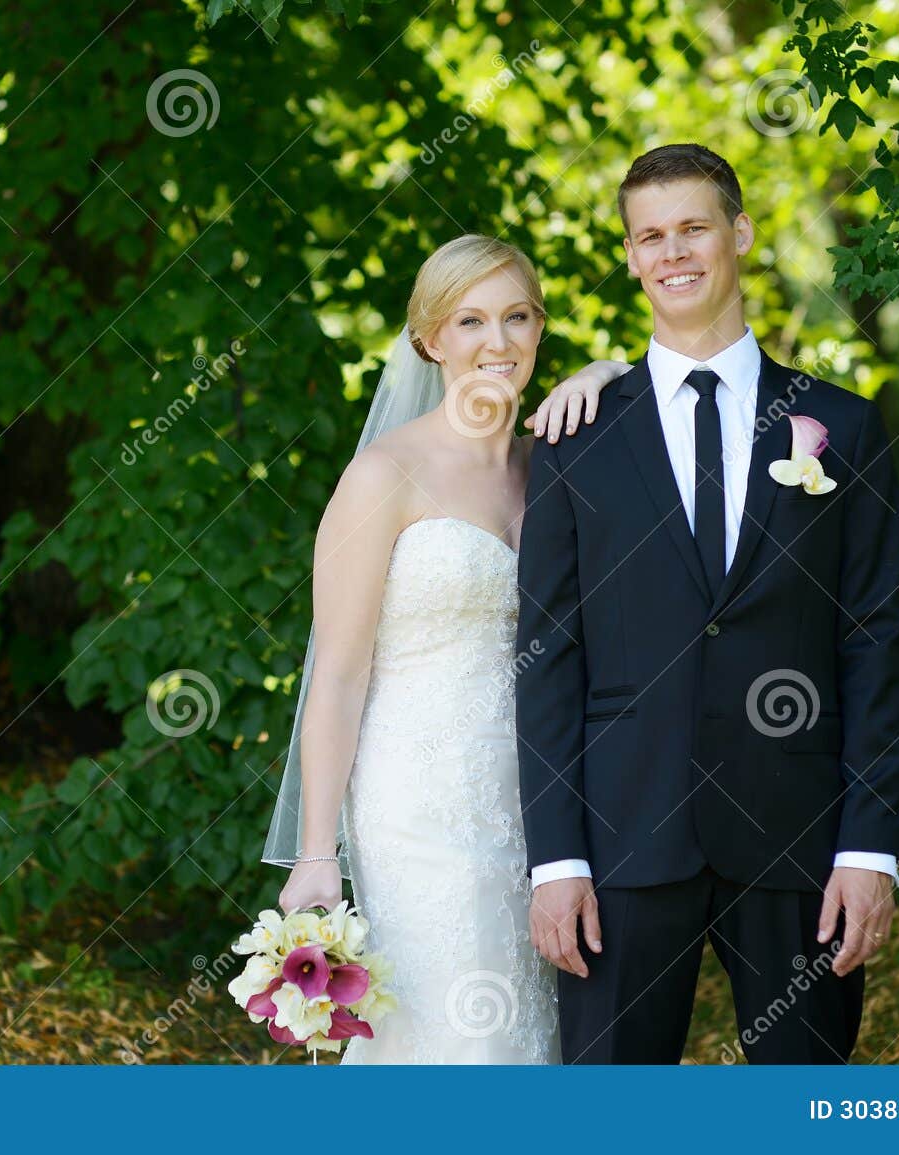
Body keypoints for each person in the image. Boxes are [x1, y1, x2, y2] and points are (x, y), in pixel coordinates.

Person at [517, 143, 899, 1064]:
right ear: (628, 256)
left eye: (693, 226)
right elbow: (546, 655)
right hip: (621, 842)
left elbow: (875, 640)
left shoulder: (841, 424)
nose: (673, 251)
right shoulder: (576, 438)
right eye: (649, 236)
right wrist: (557, 860)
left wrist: (870, 847)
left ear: (737, 232)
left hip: (799, 837)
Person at [263, 234, 628, 1062]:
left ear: (540, 329)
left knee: (532, 1024)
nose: (497, 343)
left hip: (539, 797)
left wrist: (607, 374)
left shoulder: (557, 465)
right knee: (456, 1024)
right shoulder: (383, 474)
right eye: (470, 321)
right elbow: (340, 673)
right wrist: (318, 854)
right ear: (430, 337)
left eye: (517, 317)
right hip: (418, 801)